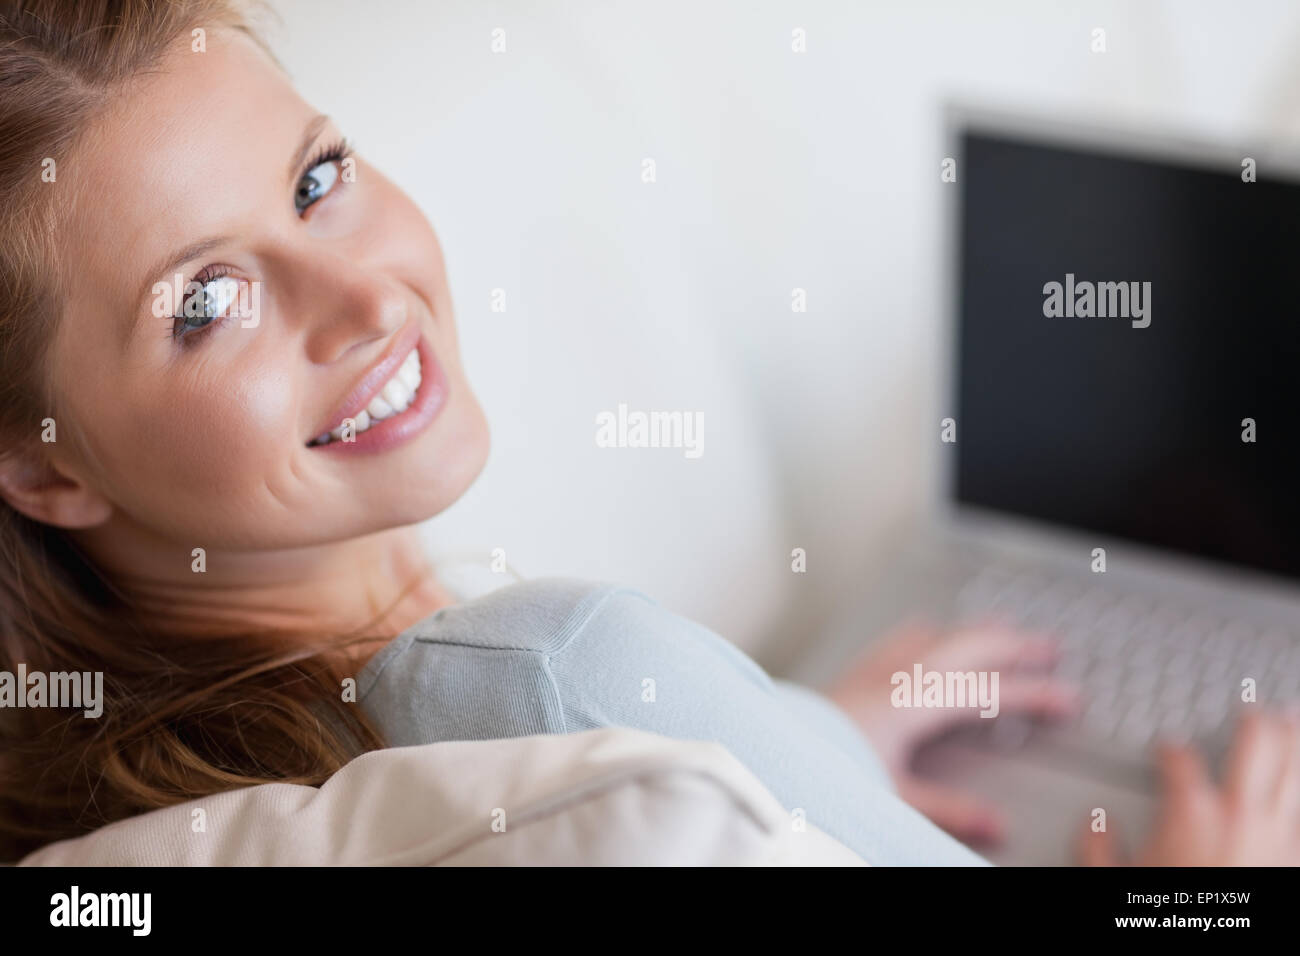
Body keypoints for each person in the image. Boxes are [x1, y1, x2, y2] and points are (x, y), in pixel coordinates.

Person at [0, 0, 1295, 865]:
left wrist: (789, 745)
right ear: (43, 466)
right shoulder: (559, 675)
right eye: (207, 304)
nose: (369, 301)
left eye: (316, 180)